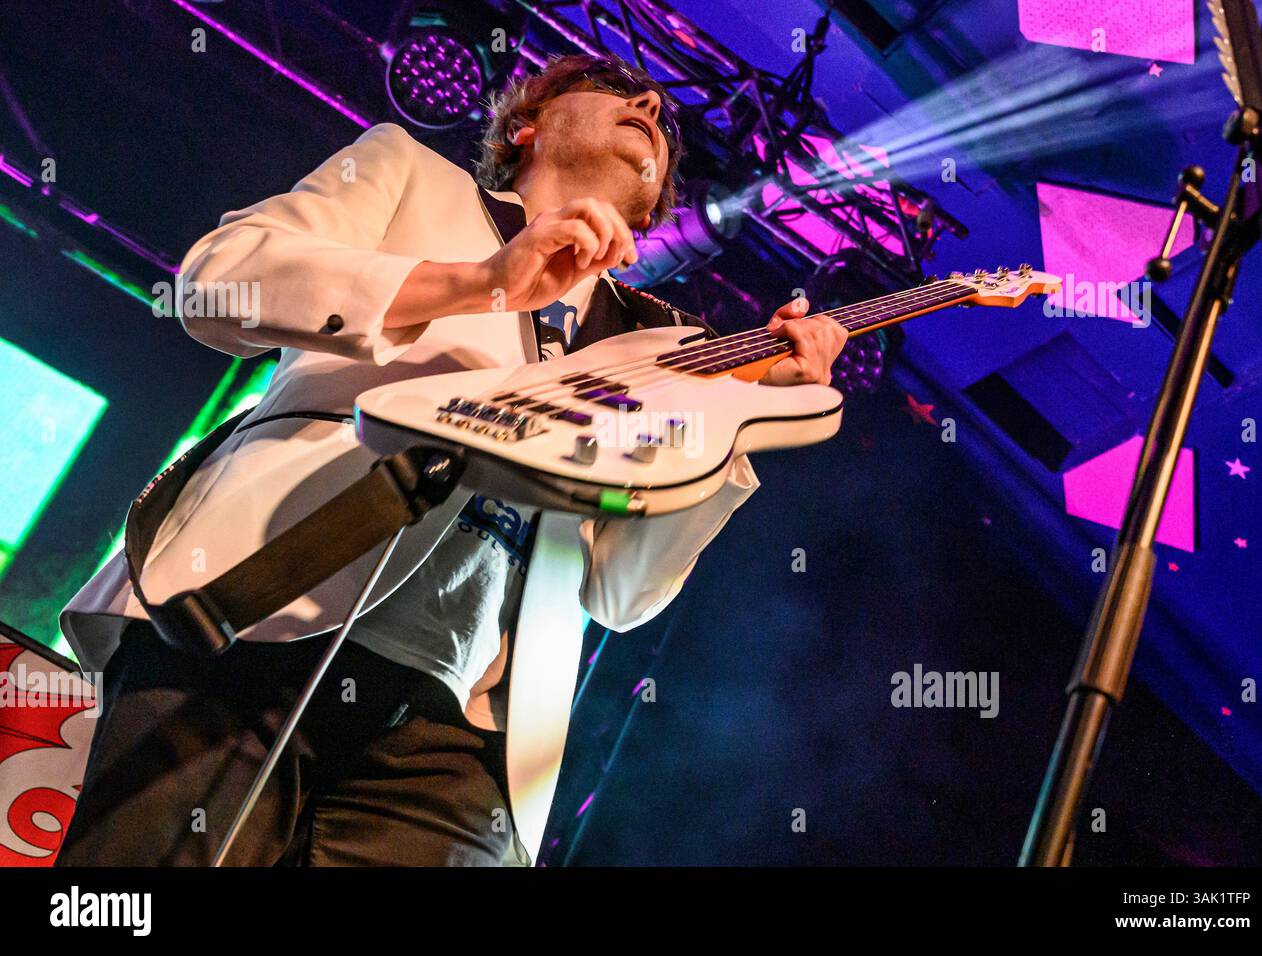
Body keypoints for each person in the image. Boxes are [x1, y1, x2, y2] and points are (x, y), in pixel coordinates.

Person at [56, 53, 847, 867]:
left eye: (663, 121)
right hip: (259, 609)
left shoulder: (665, 348)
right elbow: (217, 283)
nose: (650, 100)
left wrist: (747, 423)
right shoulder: (410, 173)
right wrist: (480, 281)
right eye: (616, 90)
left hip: (463, 738)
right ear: (525, 126)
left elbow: (620, 592)